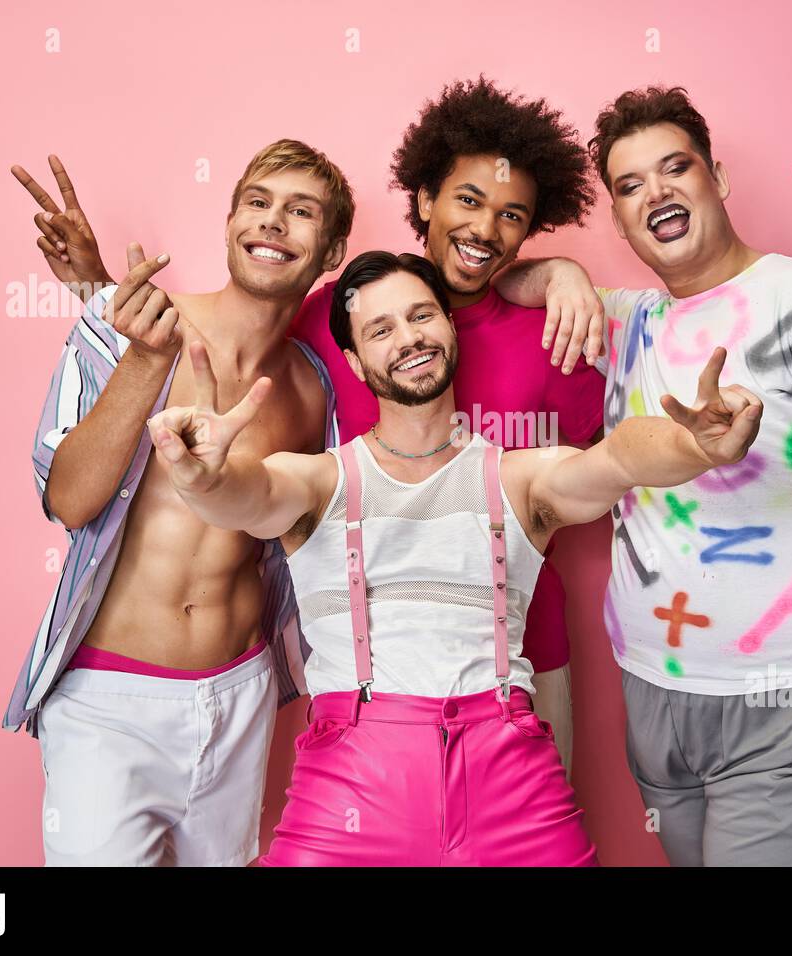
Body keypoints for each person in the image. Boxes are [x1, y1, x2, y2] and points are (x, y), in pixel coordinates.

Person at [145, 251, 764, 866]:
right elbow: (245, 495)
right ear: (357, 362)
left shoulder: (520, 479)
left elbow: (619, 459)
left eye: (422, 316)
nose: (409, 338)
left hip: (511, 784)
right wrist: (202, 479)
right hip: (350, 790)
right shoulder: (315, 482)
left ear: (448, 325)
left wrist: (692, 444)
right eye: (381, 330)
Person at [495, 86, 792, 866]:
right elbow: (496, 280)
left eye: (675, 168)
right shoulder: (628, 321)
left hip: (784, 705)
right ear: (622, 219)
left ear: (717, 178)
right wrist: (560, 272)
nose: (655, 193)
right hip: (655, 702)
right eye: (629, 187)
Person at [4, 142, 353, 866]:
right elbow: (69, 501)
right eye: (257, 202)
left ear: (333, 250)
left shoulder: (315, 386)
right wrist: (145, 362)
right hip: (109, 699)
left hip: (241, 696)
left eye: (301, 212)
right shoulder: (130, 328)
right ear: (228, 223)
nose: (273, 222)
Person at [288, 77, 606, 775]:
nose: (487, 230)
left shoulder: (554, 333)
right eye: (468, 199)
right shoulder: (334, 317)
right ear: (425, 198)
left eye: (513, 215)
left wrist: (561, 273)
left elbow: (601, 478)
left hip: (521, 653)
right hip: (372, 665)